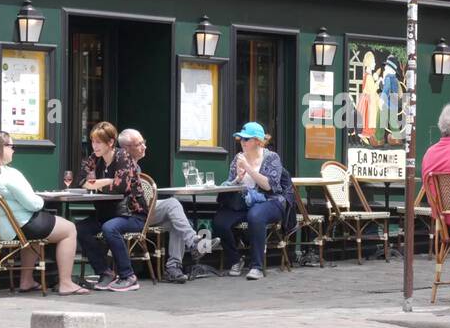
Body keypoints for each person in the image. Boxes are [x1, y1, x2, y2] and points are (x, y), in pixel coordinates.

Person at [0, 131, 88, 295]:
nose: (13, 150)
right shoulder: (10, 174)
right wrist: (40, 198)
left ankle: (27, 281)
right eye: (11, 146)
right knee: (69, 229)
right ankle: (66, 283)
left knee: (32, 233)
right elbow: (33, 204)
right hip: (19, 228)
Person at [118, 128, 220, 283]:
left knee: (175, 220)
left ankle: (173, 268)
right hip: (129, 214)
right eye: (139, 144)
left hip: (141, 211)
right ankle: (193, 242)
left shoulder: (135, 166)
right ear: (126, 148)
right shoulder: (121, 165)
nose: (144, 147)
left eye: (143, 142)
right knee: (173, 203)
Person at [212, 122, 295, 281]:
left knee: (255, 216)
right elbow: (231, 184)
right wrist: (238, 179)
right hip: (245, 201)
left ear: (258, 141)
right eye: (241, 139)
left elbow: (269, 186)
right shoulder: (238, 158)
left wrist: (248, 168)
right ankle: (236, 261)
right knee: (220, 222)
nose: (242, 142)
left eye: (246, 139)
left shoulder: (272, 158)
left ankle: (256, 266)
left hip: (271, 200)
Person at [76, 122, 148, 293]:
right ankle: (104, 272)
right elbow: (79, 180)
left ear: (110, 142)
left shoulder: (123, 156)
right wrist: (107, 182)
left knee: (110, 228)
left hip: (132, 215)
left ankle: (128, 276)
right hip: (106, 214)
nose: (95, 146)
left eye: (99, 142)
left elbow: (120, 187)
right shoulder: (95, 158)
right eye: (93, 142)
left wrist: (94, 184)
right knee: (79, 228)